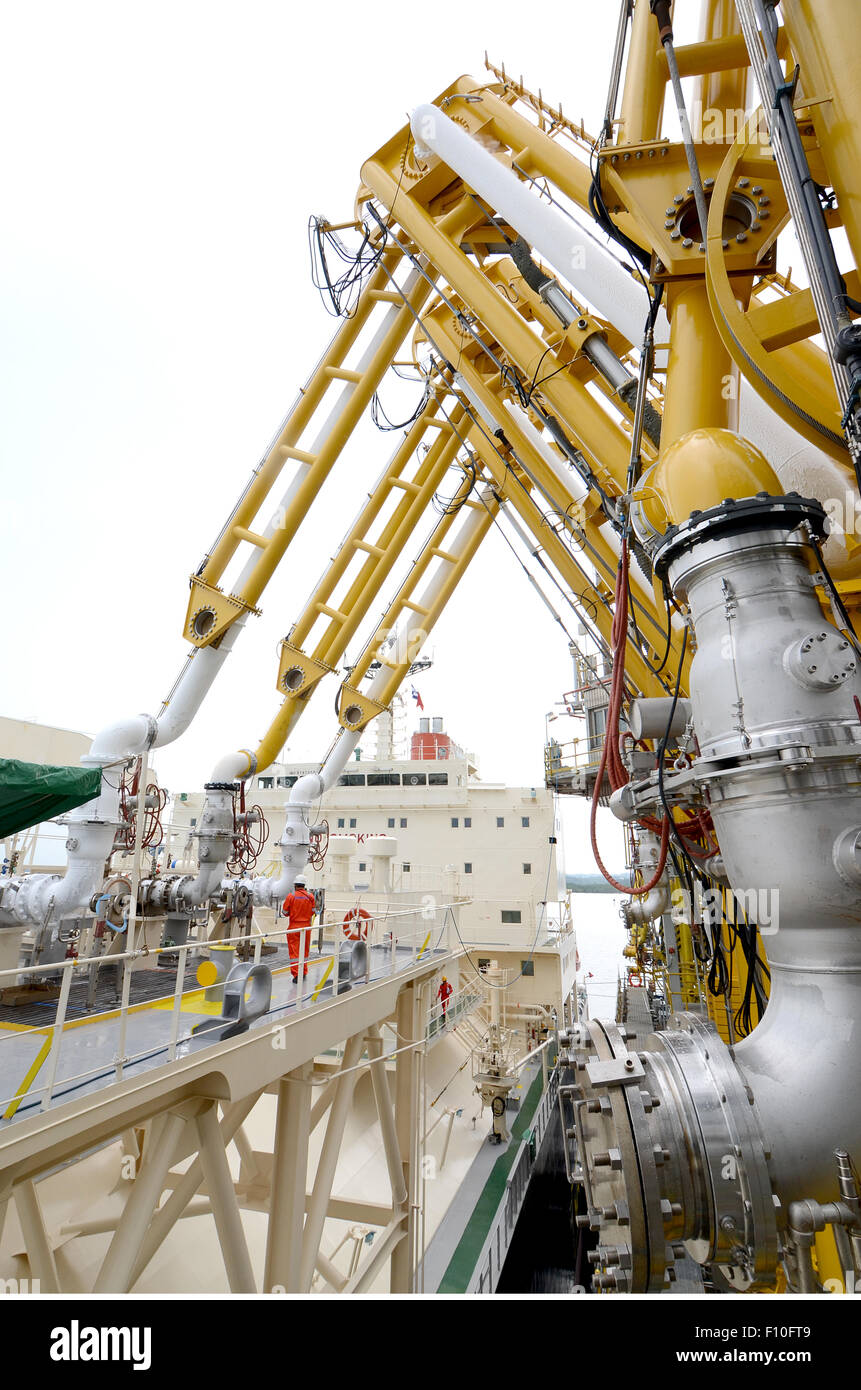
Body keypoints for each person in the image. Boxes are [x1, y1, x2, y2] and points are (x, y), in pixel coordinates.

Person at [282, 875, 316, 981]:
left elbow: (285, 912)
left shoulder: (291, 896)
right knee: (304, 951)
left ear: (295, 885)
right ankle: (304, 972)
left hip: (294, 927)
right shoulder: (311, 896)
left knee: (295, 952)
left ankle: (297, 975)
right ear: (304, 885)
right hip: (306, 927)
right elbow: (314, 911)